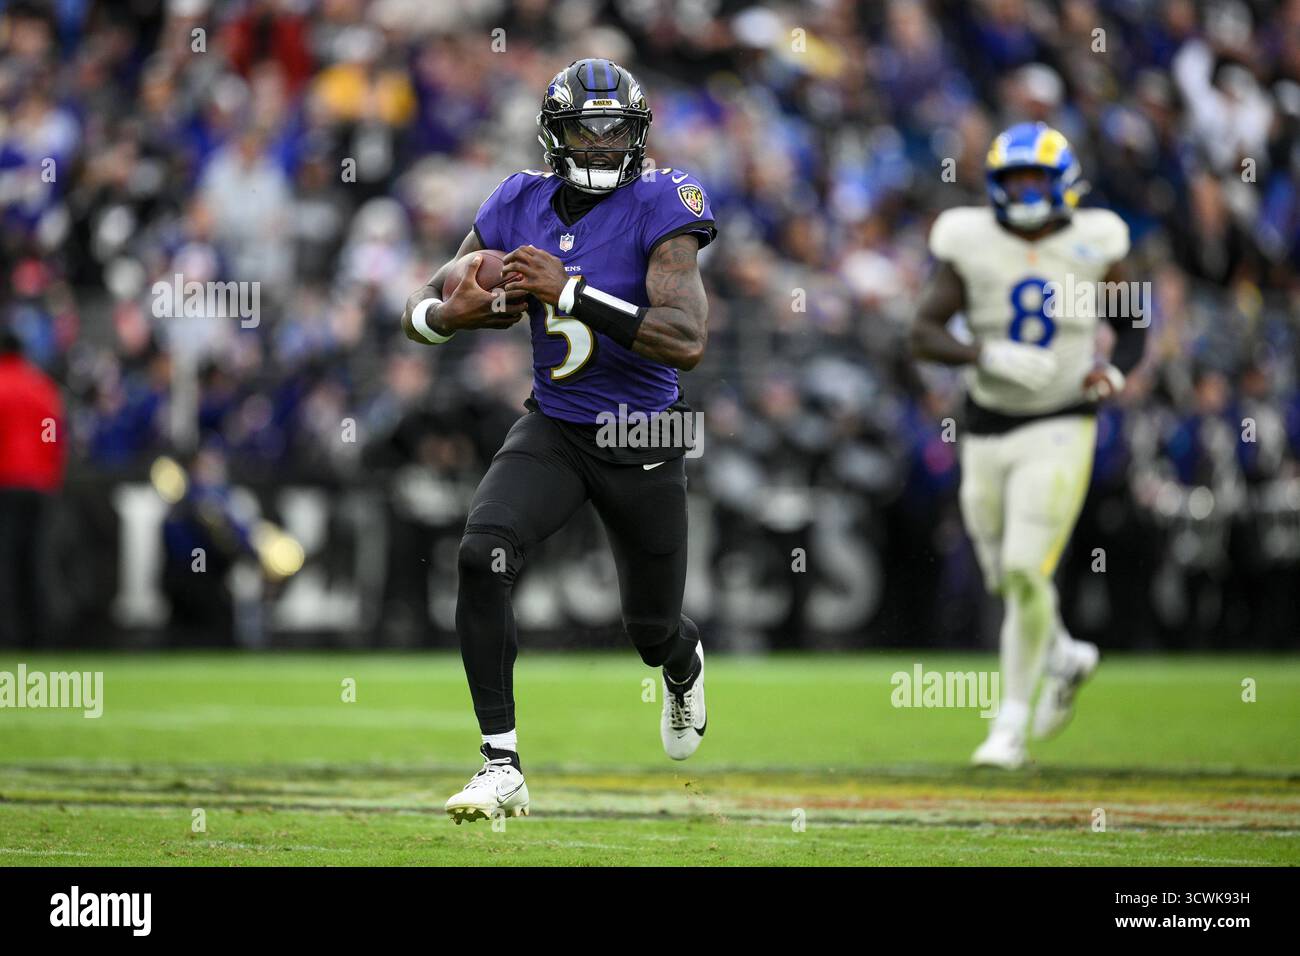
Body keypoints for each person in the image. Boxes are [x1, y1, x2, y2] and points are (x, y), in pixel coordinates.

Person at [400, 59, 716, 822]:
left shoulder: (664, 202)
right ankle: (500, 763)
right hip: (557, 424)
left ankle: (682, 664)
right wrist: (450, 317)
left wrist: (567, 290)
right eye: (587, 130)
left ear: (638, 138)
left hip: (643, 430)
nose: (603, 146)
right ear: (555, 134)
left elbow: (685, 340)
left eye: (618, 132)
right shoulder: (516, 201)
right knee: (481, 554)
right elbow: (429, 298)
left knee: (650, 628)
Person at [911, 123, 1146, 768]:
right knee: (1003, 575)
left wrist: (1113, 371)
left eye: (1035, 179)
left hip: (1063, 417)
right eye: (1013, 180)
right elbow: (924, 332)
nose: (1024, 191)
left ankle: (1007, 727)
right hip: (986, 422)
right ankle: (1065, 655)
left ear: (1063, 183)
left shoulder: (1098, 240)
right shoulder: (970, 240)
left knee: (1024, 567)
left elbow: (1133, 323)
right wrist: (984, 351)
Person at [0, 327, 65, 648]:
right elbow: (53, 432)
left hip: (6, 482)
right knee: (37, 560)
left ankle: (9, 634)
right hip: (39, 483)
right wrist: (48, 468)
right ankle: (41, 633)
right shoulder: (41, 386)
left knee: (6, 561)